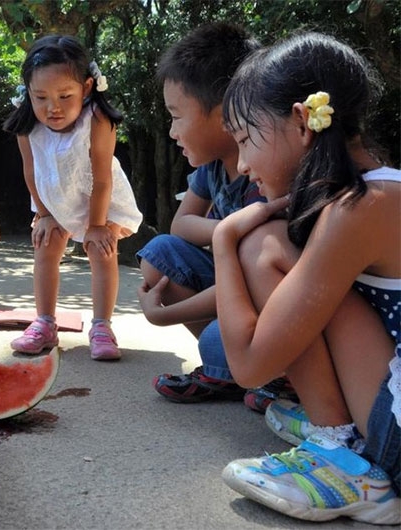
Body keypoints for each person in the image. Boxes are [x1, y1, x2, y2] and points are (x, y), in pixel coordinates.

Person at [213, 32, 400, 524]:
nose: (242, 165)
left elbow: (250, 365)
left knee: (263, 246)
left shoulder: (361, 208)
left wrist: (224, 245)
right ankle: (346, 434)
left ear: (301, 122)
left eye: (245, 139)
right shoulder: (377, 191)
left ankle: (343, 454)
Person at [135, 23, 292, 412]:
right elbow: (181, 225)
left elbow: (253, 282)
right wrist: (230, 231)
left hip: (263, 302)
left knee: (216, 339)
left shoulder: (266, 174)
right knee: (160, 254)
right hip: (234, 283)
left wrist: (165, 315)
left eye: (176, 116)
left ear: (225, 114)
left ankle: (262, 371)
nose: (171, 131)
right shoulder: (212, 169)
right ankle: (230, 369)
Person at [2, 35, 143, 361]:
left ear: (88, 87)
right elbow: (30, 169)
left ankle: (101, 325)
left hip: (98, 196)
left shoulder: (97, 119)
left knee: (101, 247)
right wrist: (45, 213)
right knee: (46, 243)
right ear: (28, 93)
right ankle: (45, 322)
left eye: (65, 95)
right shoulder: (27, 123)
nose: (53, 107)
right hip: (53, 194)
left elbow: (103, 177)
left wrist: (96, 225)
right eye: (40, 97)